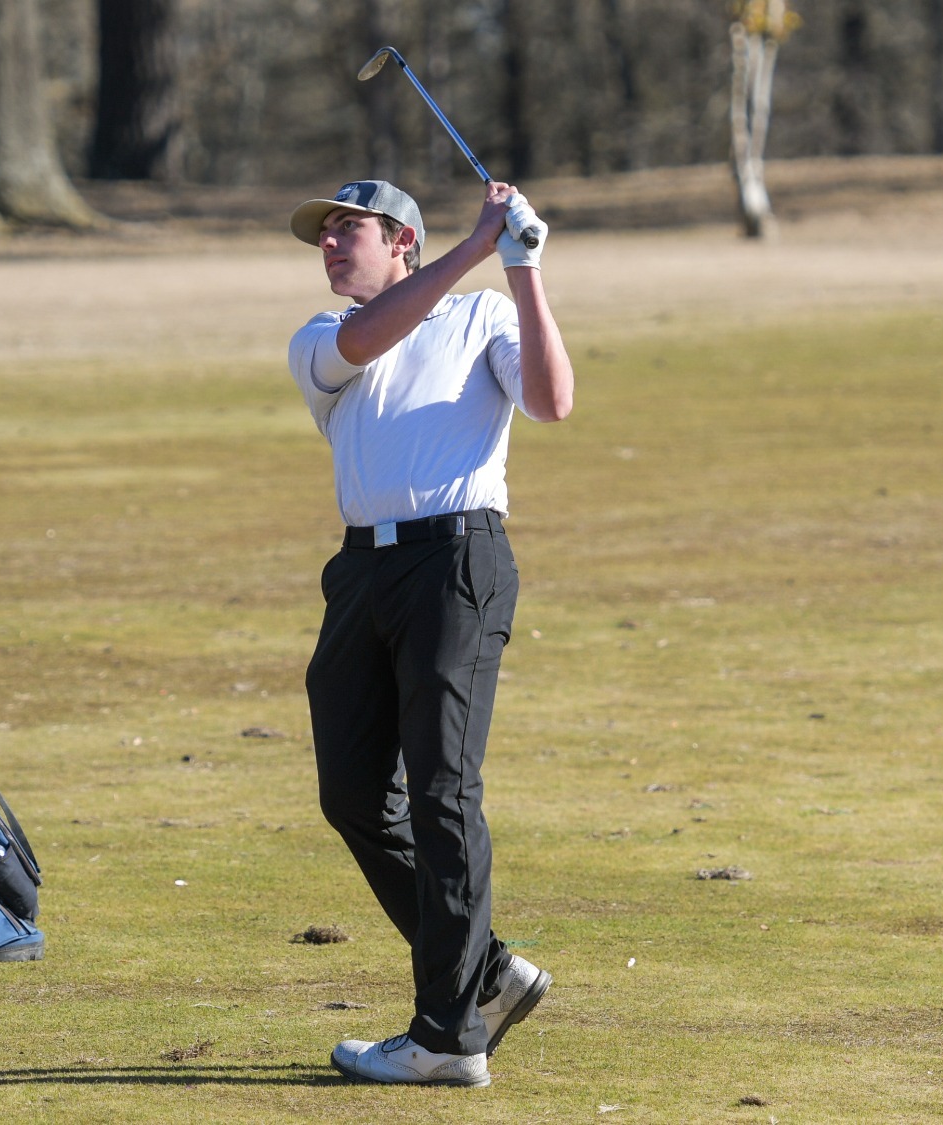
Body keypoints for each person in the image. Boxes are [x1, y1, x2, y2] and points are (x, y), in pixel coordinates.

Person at [284, 177, 574, 1088]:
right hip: (361, 571)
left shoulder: (482, 314)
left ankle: (448, 1034)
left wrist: (521, 267)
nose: (332, 244)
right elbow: (369, 339)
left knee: (444, 789)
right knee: (353, 792)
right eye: (326, 233)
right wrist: (476, 246)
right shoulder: (322, 337)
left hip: (457, 561)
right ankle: (485, 973)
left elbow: (551, 401)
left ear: (402, 241)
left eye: (351, 229)